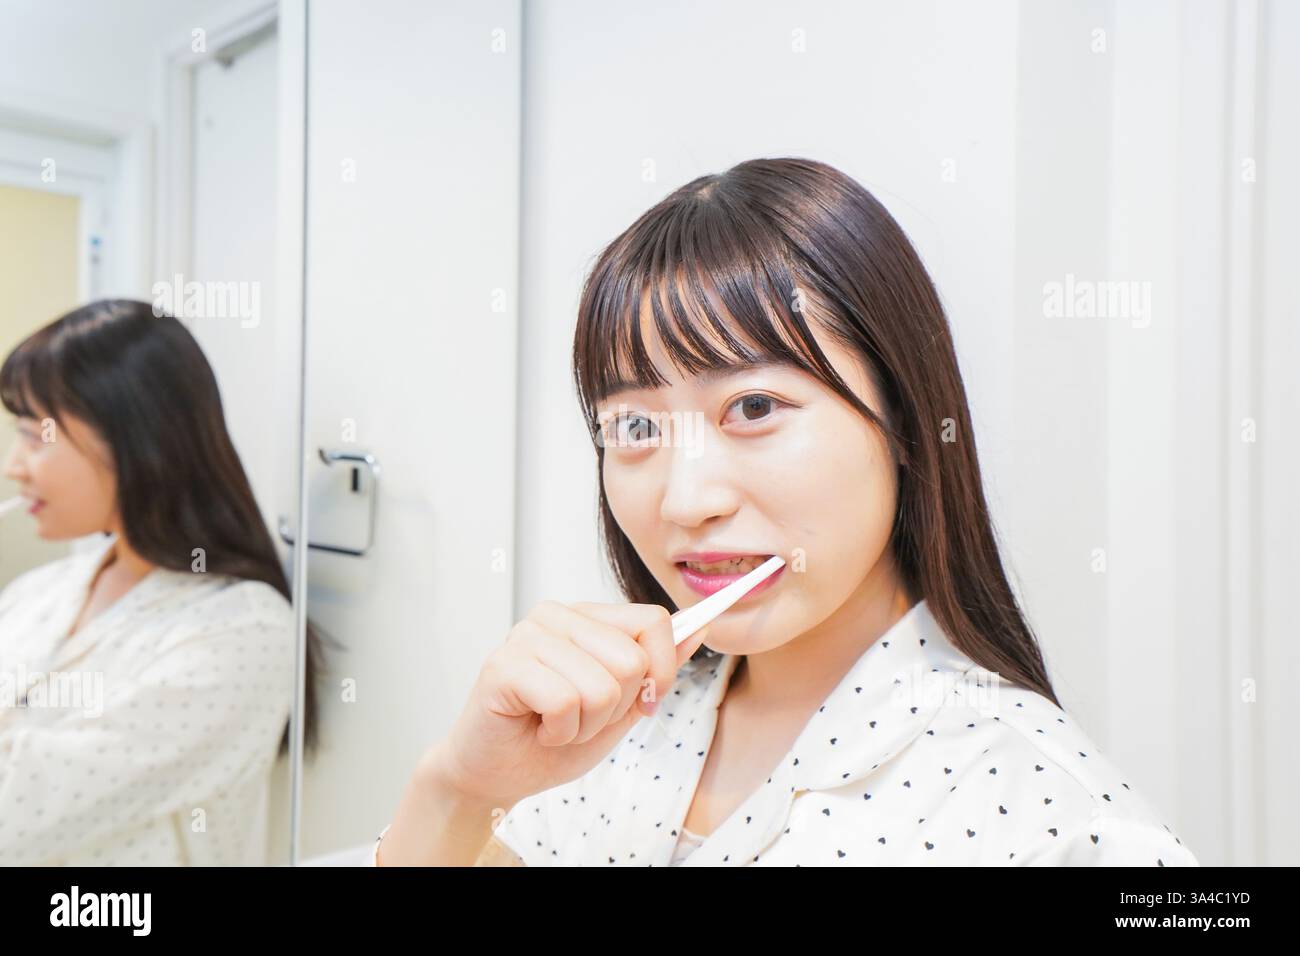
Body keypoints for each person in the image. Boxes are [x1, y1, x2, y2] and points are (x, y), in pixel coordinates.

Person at [374, 158, 1198, 866]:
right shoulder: (603, 738)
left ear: (906, 423)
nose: (686, 500)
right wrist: (461, 785)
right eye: (635, 427)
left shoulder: (1047, 810)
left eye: (756, 406)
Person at [0, 299, 323, 865]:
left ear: (133, 437)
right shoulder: (40, 592)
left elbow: (18, 814)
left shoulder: (241, 632)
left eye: (36, 436)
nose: (13, 466)